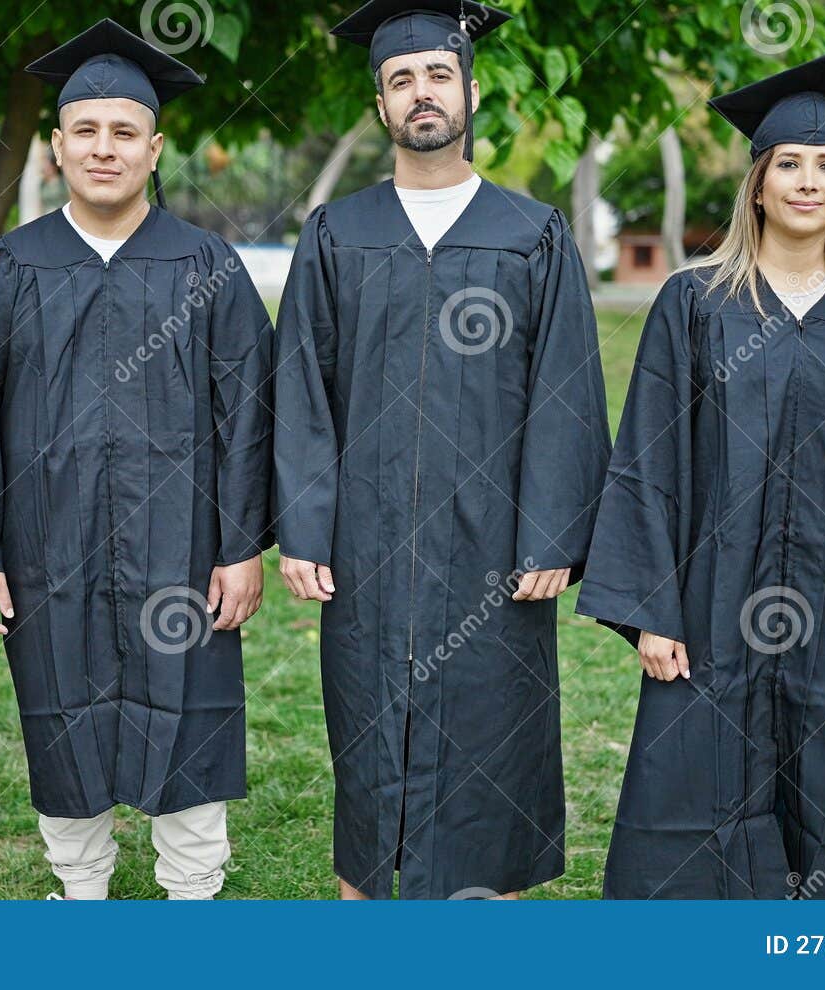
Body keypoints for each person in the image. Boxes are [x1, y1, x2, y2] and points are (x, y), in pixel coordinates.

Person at [0, 19, 275, 901]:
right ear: (55, 147)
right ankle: (79, 889)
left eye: (124, 131)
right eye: (85, 131)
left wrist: (243, 543)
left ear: (155, 147)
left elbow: (251, 413)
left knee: (193, 709)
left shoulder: (207, 267)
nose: (104, 149)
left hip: (183, 547)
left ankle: (193, 890)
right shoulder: (7, 268)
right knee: (59, 707)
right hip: (44, 547)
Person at [575, 56, 825, 899]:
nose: (808, 181)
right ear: (757, 184)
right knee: (688, 815)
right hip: (709, 620)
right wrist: (652, 610)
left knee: (819, 817)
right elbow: (649, 461)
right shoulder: (695, 306)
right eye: (788, 163)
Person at [272, 0, 613, 899]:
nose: (420, 93)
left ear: (469, 87)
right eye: (399, 79)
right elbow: (302, 386)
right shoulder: (337, 233)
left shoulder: (531, 233)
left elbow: (568, 388)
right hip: (366, 548)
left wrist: (552, 533)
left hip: (493, 547)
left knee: (491, 754)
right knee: (370, 754)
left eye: (436, 74)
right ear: (379, 104)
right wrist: (305, 526)